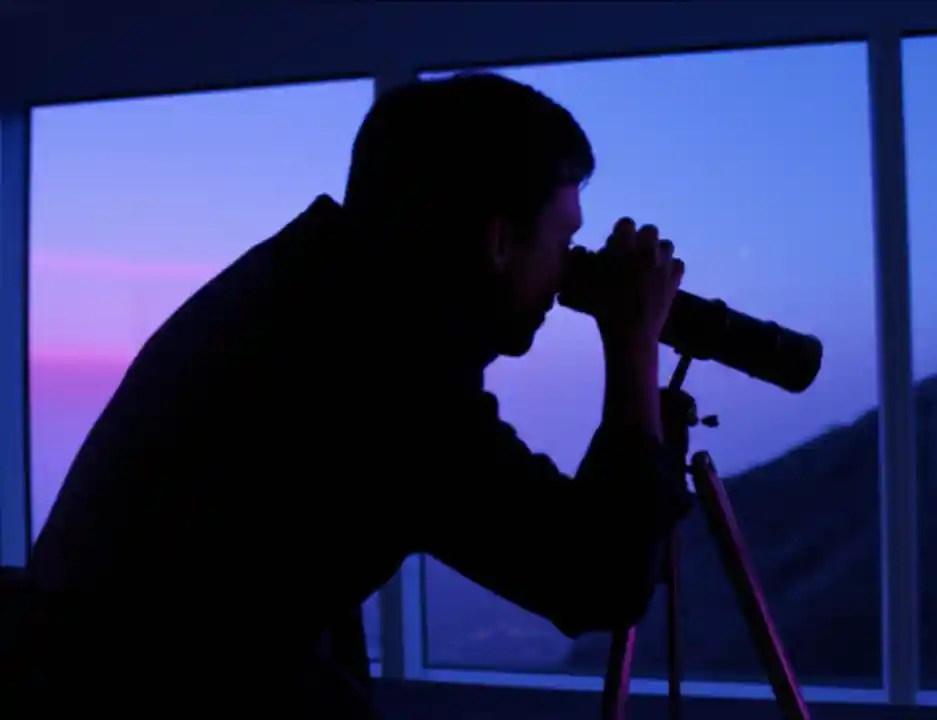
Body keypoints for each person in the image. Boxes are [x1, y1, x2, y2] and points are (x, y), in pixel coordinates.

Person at [0, 72, 692, 716]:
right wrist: (635, 344)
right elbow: (597, 580)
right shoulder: (383, 368)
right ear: (500, 240)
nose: (569, 273)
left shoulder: (312, 288)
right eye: (564, 242)